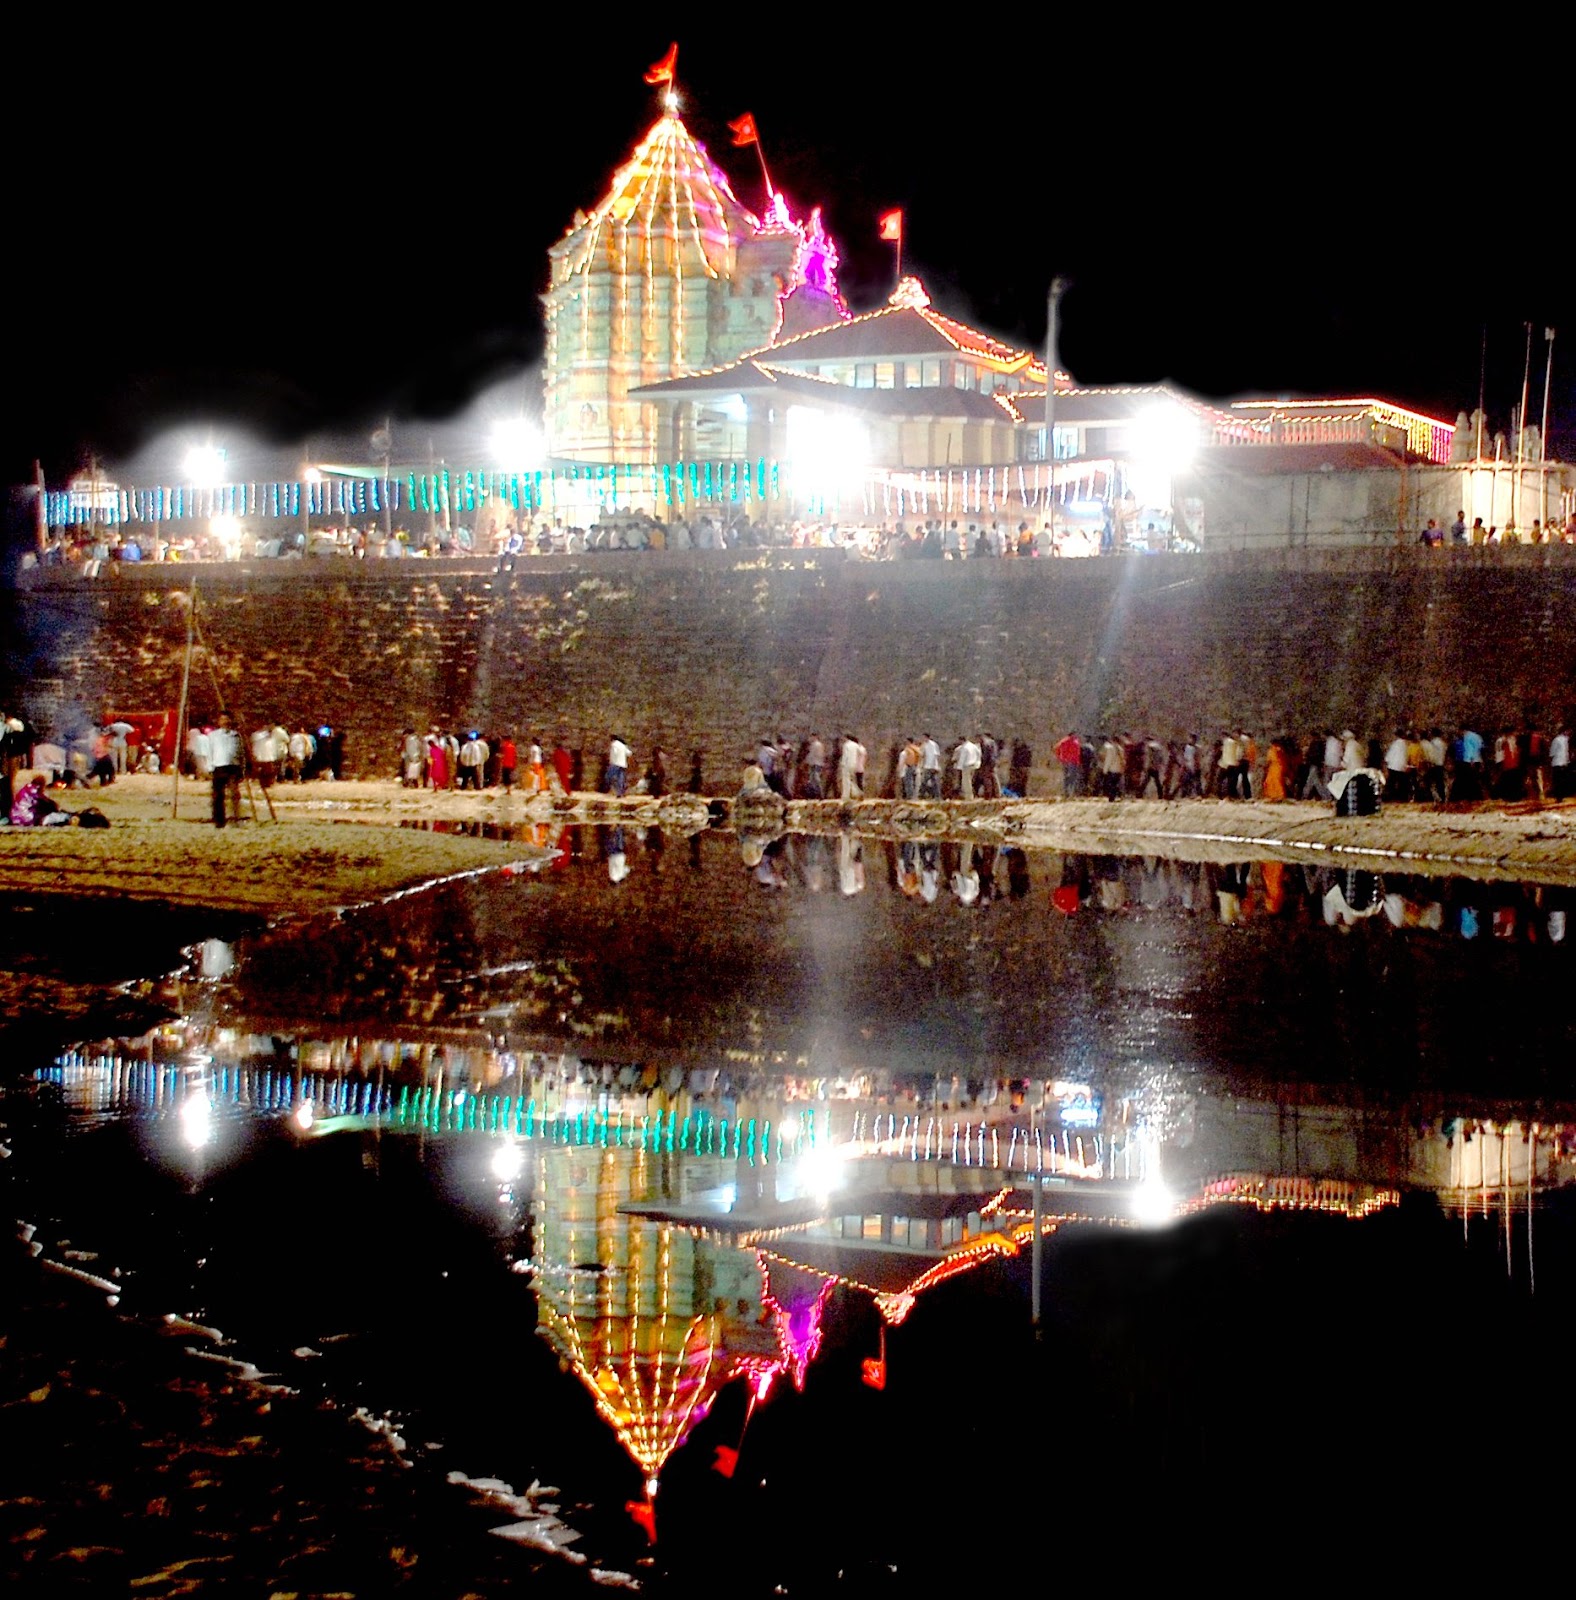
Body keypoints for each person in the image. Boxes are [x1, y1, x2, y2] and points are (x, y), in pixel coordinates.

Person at [209, 711, 242, 828]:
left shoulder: (236, 735)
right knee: (218, 795)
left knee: (234, 794)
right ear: (219, 721)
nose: (225, 722)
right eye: (223, 719)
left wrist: (241, 767)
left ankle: (235, 817)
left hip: (233, 766)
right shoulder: (213, 736)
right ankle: (219, 820)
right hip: (219, 766)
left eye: (227, 719)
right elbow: (210, 751)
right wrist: (209, 767)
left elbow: (240, 752)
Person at [838, 732, 865, 800]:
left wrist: (842, 763)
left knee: (846, 780)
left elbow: (845, 755)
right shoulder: (856, 745)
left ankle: (846, 795)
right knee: (851, 779)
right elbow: (861, 752)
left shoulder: (846, 745)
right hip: (854, 764)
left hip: (847, 764)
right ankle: (856, 792)